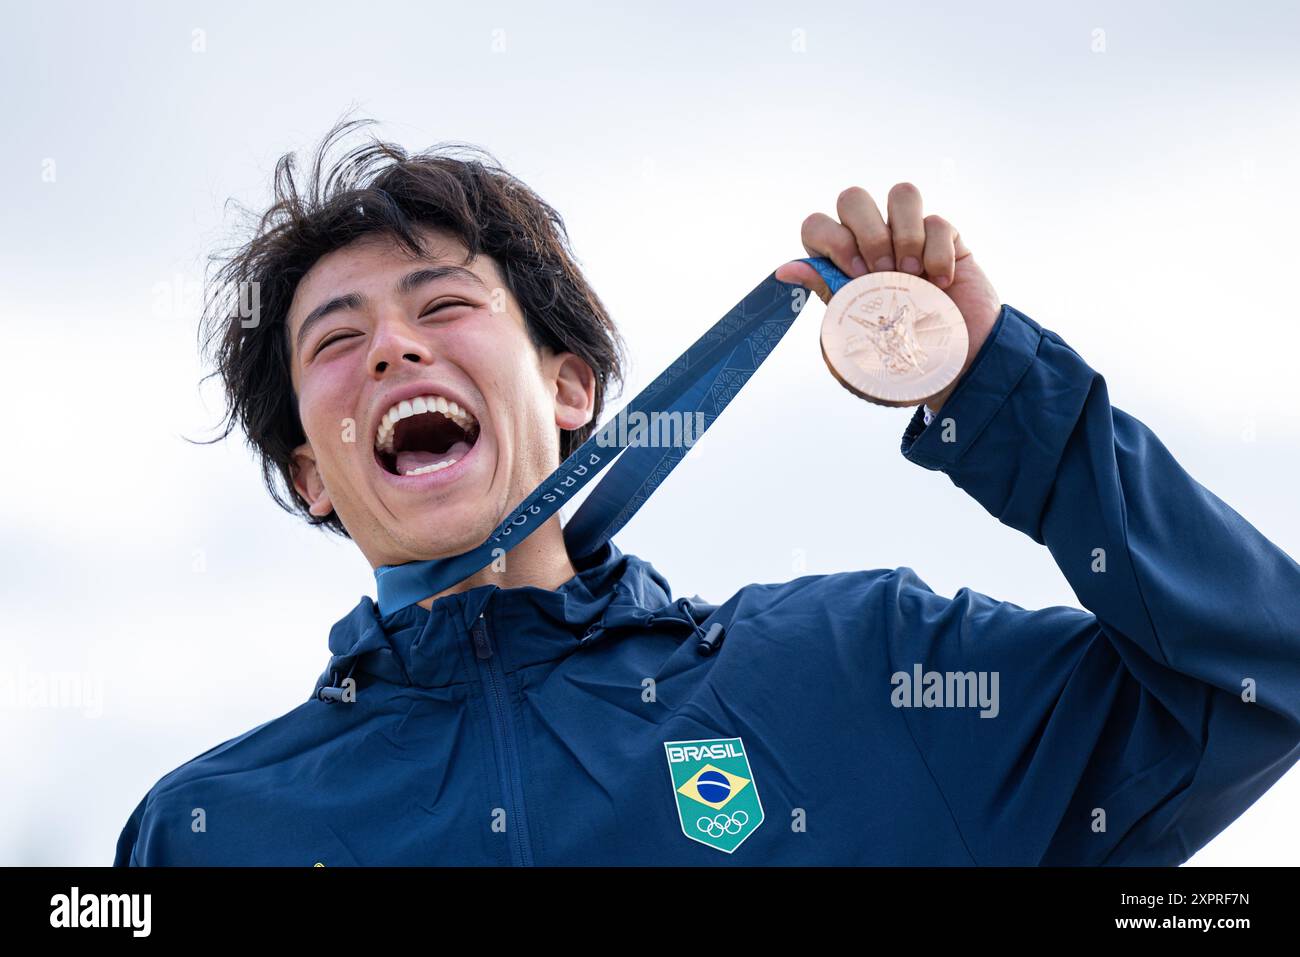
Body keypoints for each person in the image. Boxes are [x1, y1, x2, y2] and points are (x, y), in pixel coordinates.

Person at [114, 119, 1300, 866]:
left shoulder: (859, 672)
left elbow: (1260, 672)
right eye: (337, 338)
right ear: (311, 474)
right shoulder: (214, 827)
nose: (390, 351)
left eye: (441, 306)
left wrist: (1001, 392)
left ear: (570, 388)